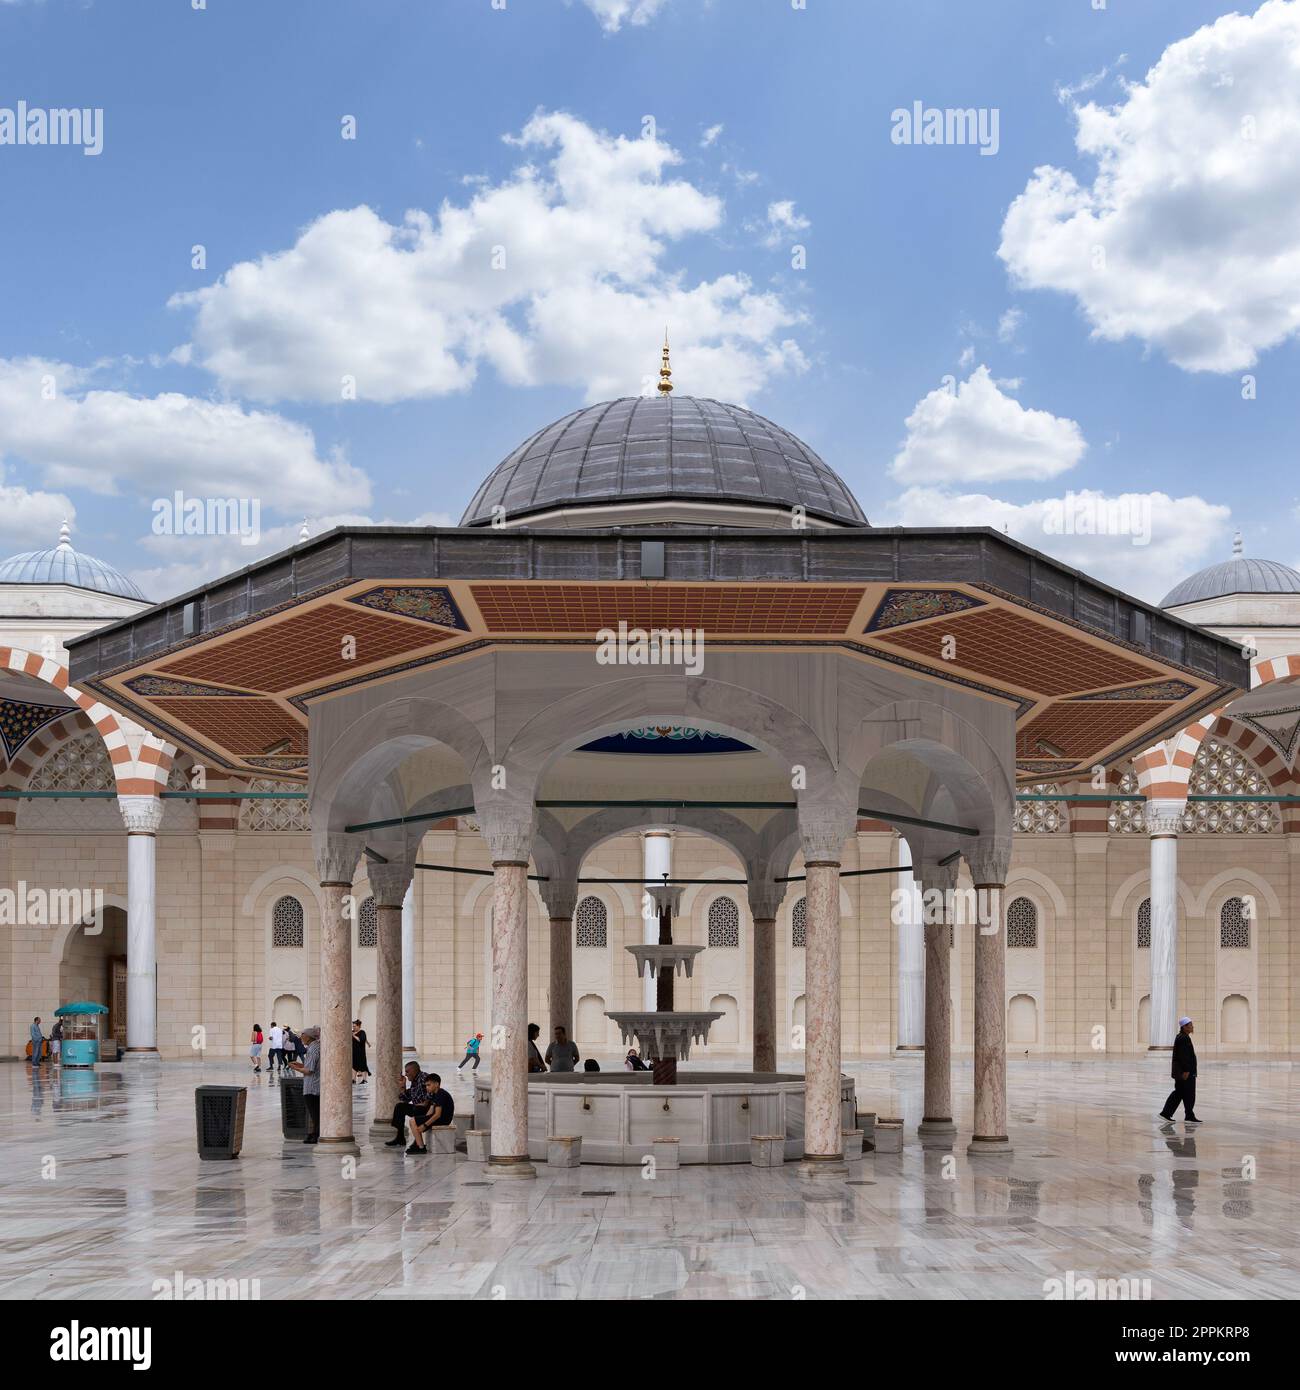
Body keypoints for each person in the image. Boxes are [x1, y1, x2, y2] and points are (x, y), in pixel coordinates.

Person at [1160, 1016, 1200, 1123]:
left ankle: (1189, 1115)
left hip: (1186, 1072)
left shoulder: (1183, 1037)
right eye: (1190, 1025)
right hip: (1185, 1073)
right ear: (1184, 1027)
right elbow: (1184, 1056)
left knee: (1187, 1094)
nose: (1192, 1027)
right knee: (1180, 1093)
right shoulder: (1183, 1038)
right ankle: (1166, 1113)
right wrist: (1186, 1071)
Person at [384, 1061, 431, 1148]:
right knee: (400, 1107)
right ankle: (400, 1138)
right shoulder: (414, 1082)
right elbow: (405, 1099)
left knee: (417, 1109)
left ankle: (417, 1141)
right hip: (418, 1108)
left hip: (427, 1109)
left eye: (407, 1071)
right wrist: (403, 1086)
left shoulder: (423, 1077)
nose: (405, 1074)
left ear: (414, 1070)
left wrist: (425, 1103)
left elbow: (432, 1090)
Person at [407, 1074, 456, 1155]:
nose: (427, 1087)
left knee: (412, 1121)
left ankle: (420, 1147)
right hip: (440, 1118)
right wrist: (423, 1119)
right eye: (426, 1085)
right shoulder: (435, 1094)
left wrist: (425, 1125)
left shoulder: (441, 1094)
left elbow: (437, 1115)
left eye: (429, 1085)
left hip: (443, 1119)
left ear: (436, 1084)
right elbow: (431, 1109)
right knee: (414, 1121)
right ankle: (419, 1145)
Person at [289, 1026, 321, 1142]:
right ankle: (314, 1134)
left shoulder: (313, 1049)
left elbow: (309, 1071)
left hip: (312, 1087)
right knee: (316, 1113)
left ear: (308, 1037)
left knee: (315, 1114)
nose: (300, 1037)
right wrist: (300, 1065)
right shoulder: (316, 1047)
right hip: (316, 1086)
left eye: (302, 1035)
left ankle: (316, 1135)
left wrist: (295, 1068)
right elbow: (311, 1067)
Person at [351, 1019, 370, 1084]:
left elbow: (361, 1040)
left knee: (363, 1066)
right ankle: (353, 1079)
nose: (353, 1027)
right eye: (353, 1026)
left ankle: (364, 1079)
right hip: (354, 1052)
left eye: (355, 1026)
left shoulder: (362, 1032)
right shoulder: (352, 1032)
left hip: (361, 1052)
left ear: (359, 1026)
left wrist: (353, 1036)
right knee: (354, 1065)